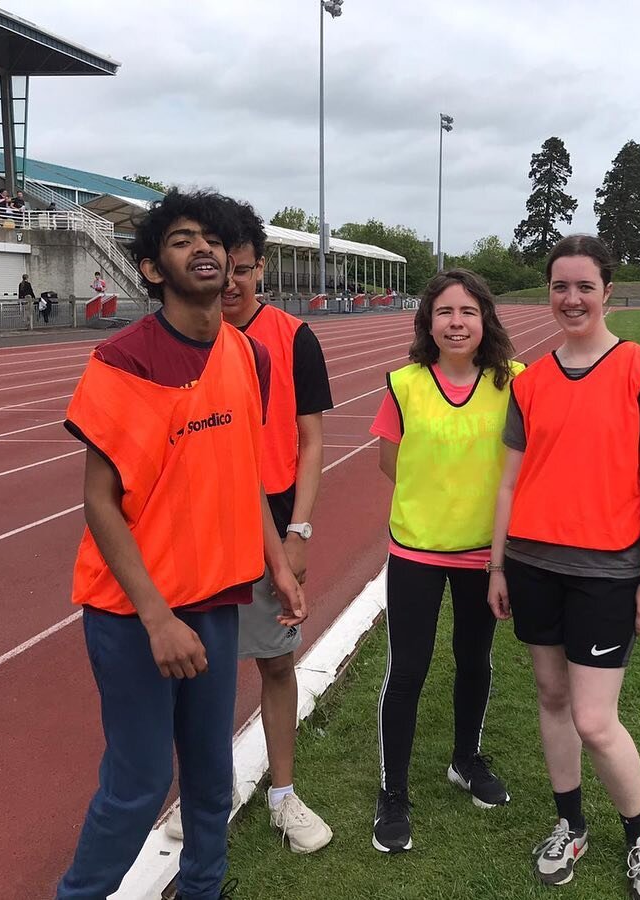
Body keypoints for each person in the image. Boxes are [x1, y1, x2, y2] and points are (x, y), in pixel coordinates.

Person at [55, 190, 305, 900]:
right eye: (182, 239)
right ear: (152, 268)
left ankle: (203, 887)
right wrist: (157, 617)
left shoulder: (248, 356)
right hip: (135, 612)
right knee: (138, 783)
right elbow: (99, 502)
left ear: (233, 259)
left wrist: (276, 564)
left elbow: (245, 475)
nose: (205, 249)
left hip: (217, 602)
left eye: (214, 240)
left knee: (206, 771)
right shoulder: (122, 360)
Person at [488, 235, 640, 899]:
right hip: (533, 564)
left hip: (607, 572)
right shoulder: (533, 380)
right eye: (558, 286)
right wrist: (497, 567)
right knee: (551, 698)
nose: (570, 298)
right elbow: (511, 484)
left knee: (596, 720)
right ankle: (570, 824)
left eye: (583, 286)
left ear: (607, 292)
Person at [169, 198, 336, 853]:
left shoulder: (294, 338)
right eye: (222, 267)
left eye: (244, 268)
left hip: (270, 522)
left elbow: (312, 441)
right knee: (197, 672)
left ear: (260, 268)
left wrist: (299, 532)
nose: (231, 281)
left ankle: (284, 796)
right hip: (198, 530)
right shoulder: (180, 340)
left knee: (275, 663)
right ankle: (204, 791)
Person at [368, 268, 523, 853]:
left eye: (468, 313)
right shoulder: (405, 384)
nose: (456, 323)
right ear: (427, 322)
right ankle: (394, 792)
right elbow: (392, 462)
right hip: (416, 551)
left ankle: (466, 759)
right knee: (407, 669)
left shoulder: (514, 382)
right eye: (444, 312)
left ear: (485, 321)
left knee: (474, 659)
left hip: (485, 554)